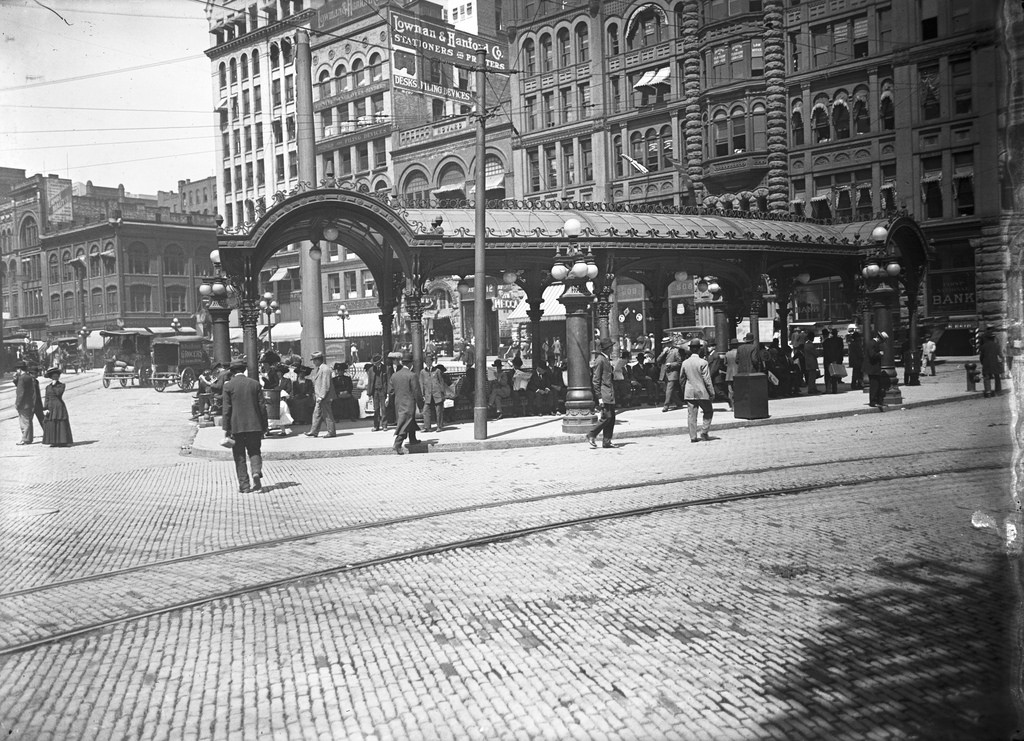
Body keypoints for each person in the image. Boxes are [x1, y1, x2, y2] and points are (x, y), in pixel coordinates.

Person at [222, 358, 269, 492]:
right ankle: (256, 471)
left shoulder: (228, 386)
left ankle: (245, 486)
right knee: (254, 450)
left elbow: (226, 410)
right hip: (254, 425)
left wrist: (226, 428)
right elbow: (262, 407)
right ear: (244, 370)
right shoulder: (255, 384)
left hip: (236, 427)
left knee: (239, 456)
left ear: (232, 372)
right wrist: (264, 426)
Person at [387, 351, 423, 454]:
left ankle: (413, 438)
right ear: (411, 364)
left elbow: (390, 391)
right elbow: (417, 392)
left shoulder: (394, 376)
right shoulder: (412, 375)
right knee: (405, 422)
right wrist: (421, 405)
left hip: (398, 403)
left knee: (408, 421)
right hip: (409, 403)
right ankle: (397, 444)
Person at [681, 338, 715, 443]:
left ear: (691, 350)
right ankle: (704, 432)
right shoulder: (703, 362)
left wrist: (684, 390)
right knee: (708, 411)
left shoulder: (685, 363)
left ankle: (693, 436)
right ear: (699, 350)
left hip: (689, 392)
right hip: (702, 391)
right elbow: (707, 380)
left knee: (692, 415)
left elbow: (681, 379)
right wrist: (711, 392)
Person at [586, 337, 616, 449]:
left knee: (611, 417)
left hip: (609, 392)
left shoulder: (606, 359)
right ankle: (592, 434)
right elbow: (596, 380)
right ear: (608, 348)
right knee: (606, 417)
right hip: (605, 393)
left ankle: (607, 441)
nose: (613, 348)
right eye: (611, 347)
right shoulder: (600, 360)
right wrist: (599, 397)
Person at [305, 351, 337, 438]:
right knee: (317, 413)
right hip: (320, 396)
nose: (313, 362)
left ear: (319, 360)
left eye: (314, 360)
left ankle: (331, 432)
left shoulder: (325, 369)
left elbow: (325, 384)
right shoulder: (320, 369)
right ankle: (314, 431)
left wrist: (321, 396)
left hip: (324, 397)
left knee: (327, 414)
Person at [41, 365, 73, 447]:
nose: (55, 377)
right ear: (51, 377)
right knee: (51, 423)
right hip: (51, 407)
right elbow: (46, 398)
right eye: (54, 376)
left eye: (57, 376)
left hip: (59, 406)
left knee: (60, 422)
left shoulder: (61, 385)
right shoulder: (48, 387)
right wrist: (45, 408)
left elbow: (58, 393)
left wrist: (54, 385)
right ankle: (53, 441)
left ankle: (62, 441)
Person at [420, 353, 448, 432]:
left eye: (429, 361)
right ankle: (427, 427)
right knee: (426, 410)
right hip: (428, 394)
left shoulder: (437, 371)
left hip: (437, 393)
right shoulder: (423, 372)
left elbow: (441, 382)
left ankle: (439, 426)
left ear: (432, 362)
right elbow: (421, 383)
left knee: (438, 411)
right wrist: (422, 394)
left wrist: (443, 393)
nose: (428, 363)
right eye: (426, 362)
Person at [14, 360, 37, 445]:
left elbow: (20, 392)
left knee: (24, 422)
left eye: (17, 369)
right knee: (28, 421)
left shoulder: (22, 378)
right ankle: (29, 438)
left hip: (23, 404)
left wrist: (17, 403)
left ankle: (25, 439)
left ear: (19, 369)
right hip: (29, 402)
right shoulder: (29, 377)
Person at [658, 338, 683, 412]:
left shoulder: (675, 351)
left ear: (669, 343)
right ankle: (679, 402)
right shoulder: (664, 352)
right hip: (664, 373)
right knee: (669, 390)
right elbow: (658, 360)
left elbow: (679, 362)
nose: (664, 345)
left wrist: (671, 364)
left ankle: (666, 405)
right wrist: (663, 353)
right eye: (663, 344)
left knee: (669, 389)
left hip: (672, 373)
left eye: (666, 343)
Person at [366, 353, 390, 431]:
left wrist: (388, 393)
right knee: (376, 409)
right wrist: (369, 393)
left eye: (377, 363)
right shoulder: (371, 370)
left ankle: (384, 425)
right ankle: (376, 425)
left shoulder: (386, 368)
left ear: (380, 362)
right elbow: (369, 382)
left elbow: (388, 381)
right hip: (375, 391)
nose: (375, 364)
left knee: (384, 409)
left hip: (383, 390)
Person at [979, 327, 1004, 398]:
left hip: (986, 363)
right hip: (995, 363)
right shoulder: (997, 346)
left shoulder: (983, 346)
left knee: (986, 377)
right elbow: (1001, 355)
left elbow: (981, 357)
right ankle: (998, 391)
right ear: (993, 339)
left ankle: (988, 392)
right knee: (997, 377)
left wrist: (982, 362)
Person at [865, 332, 887, 410]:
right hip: (872, 368)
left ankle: (877, 400)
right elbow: (872, 355)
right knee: (874, 385)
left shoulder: (873, 343)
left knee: (877, 384)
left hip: (874, 368)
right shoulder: (872, 343)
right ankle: (873, 401)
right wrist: (879, 354)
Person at [821, 328, 845, 394]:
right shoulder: (839, 340)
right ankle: (834, 389)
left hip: (827, 360)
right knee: (834, 374)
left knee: (828, 375)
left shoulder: (827, 341)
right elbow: (841, 349)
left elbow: (825, 351)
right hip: (836, 359)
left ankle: (828, 389)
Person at [846, 325, 864, 390]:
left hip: (854, 360)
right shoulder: (856, 344)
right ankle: (857, 384)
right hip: (858, 360)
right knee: (858, 373)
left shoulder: (852, 344)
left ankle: (855, 384)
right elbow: (859, 353)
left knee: (856, 373)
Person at [724, 339, 739, 410]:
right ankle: (738, 405)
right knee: (738, 390)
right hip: (738, 374)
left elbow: (725, 363)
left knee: (730, 391)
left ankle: (732, 406)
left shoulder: (727, 353)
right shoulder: (739, 353)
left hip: (729, 374)